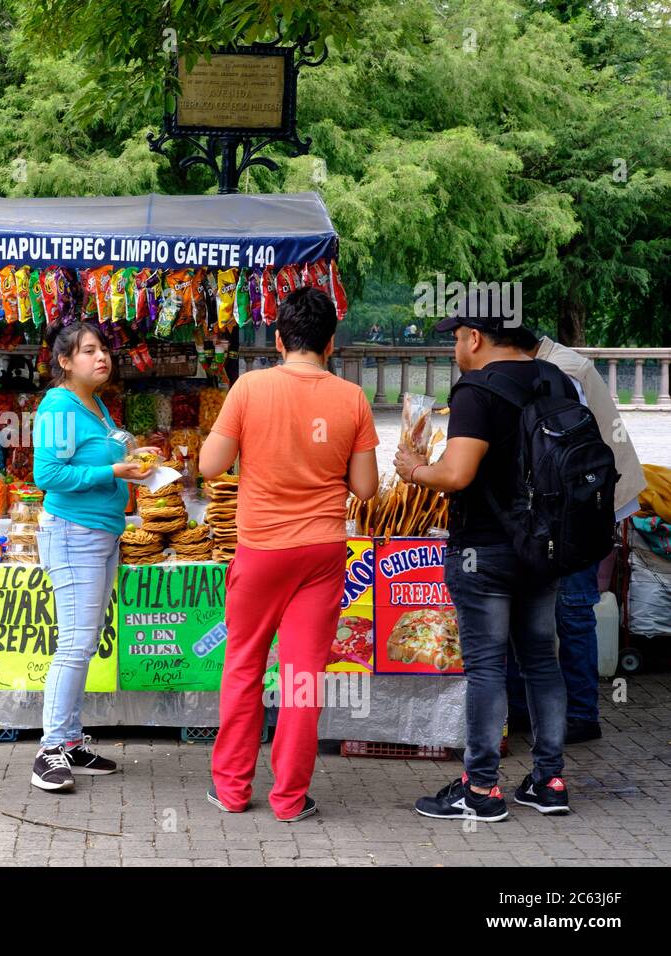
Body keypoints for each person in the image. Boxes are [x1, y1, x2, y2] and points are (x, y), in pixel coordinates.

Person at [199, 287, 379, 821]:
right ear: (331, 344)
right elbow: (366, 489)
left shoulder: (250, 388)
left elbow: (210, 465)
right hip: (322, 552)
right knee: (303, 677)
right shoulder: (352, 398)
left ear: (278, 340)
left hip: (260, 551)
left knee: (244, 667)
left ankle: (232, 791)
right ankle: (289, 800)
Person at [394, 306, 579, 821]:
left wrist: (414, 470)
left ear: (474, 337)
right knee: (542, 661)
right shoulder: (558, 382)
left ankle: (480, 790)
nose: (454, 349)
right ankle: (550, 780)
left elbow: (456, 474)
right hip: (545, 548)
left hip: (486, 552)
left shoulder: (477, 389)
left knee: (486, 668)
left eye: (455, 338)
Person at [30, 321, 157, 792]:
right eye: (87, 351)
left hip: (101, 533)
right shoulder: (60, 406)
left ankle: (68, 741)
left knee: (83, 640)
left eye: (102, 349)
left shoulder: (96, 405)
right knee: (76, 643)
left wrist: (134, 463)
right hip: (72, 533)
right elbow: (49, 475)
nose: (100, 357)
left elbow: (95, 460)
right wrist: (113, 470)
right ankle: (48, 752)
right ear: (65, 361)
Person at [502, 334, 647, 743]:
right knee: (539, 607)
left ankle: (581, 715)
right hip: (568, 502)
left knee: (574, 610)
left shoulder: (564, 370)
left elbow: (567, 449)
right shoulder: (544, 364)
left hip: (582, 505)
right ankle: (525, 710)